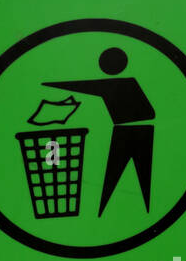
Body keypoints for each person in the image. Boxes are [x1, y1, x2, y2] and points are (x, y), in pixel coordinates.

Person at [41, 47, 155, 216]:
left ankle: (116, 211)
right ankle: (105, 211)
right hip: (130, 130)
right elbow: (90, 86)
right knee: (117, 176)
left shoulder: (122, 84)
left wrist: (51, 84)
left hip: (134, 131)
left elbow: (88, 86)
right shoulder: (125, 83)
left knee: (126, 175)